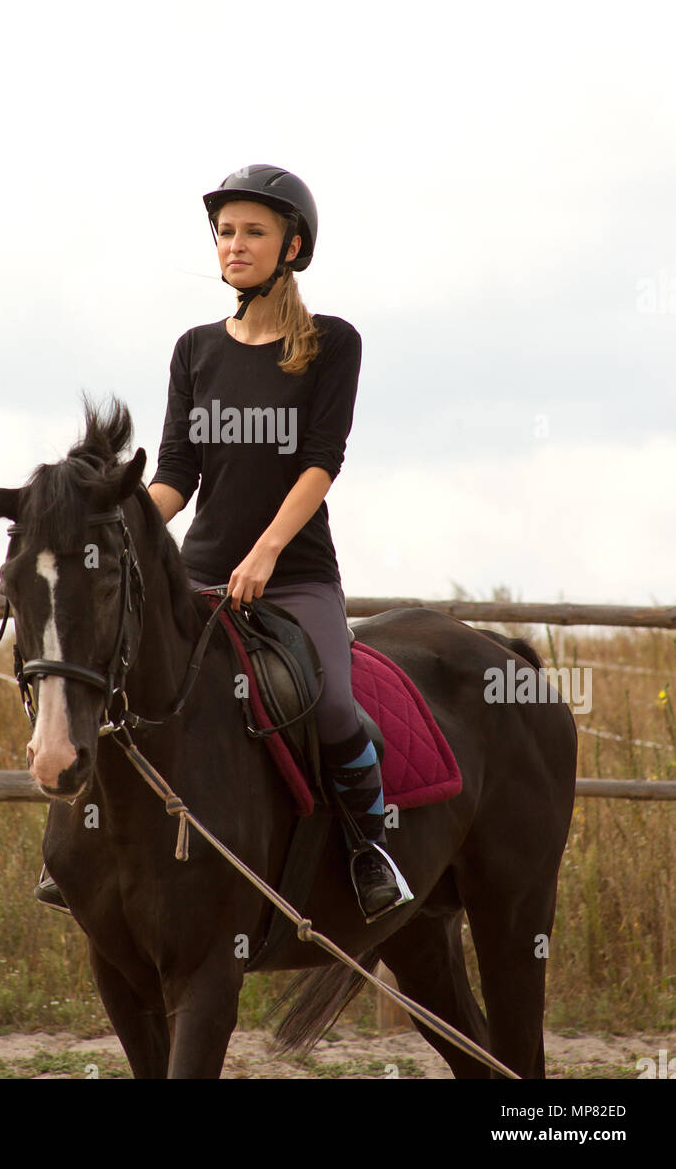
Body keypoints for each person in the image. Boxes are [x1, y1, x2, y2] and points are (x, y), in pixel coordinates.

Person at [147, 164, 411, 916]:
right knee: (123, 686)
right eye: (226, 231)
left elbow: (323, 459)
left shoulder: (332, 343)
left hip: (294, 577)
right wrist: (117, 519)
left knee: (331, 708)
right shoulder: (194, 349)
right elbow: (176, 473)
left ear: (292, 246)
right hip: (199, 576)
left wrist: (264, 550)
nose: (234, 244)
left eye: (253, 232)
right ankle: (82, 855)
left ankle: (371, 855)